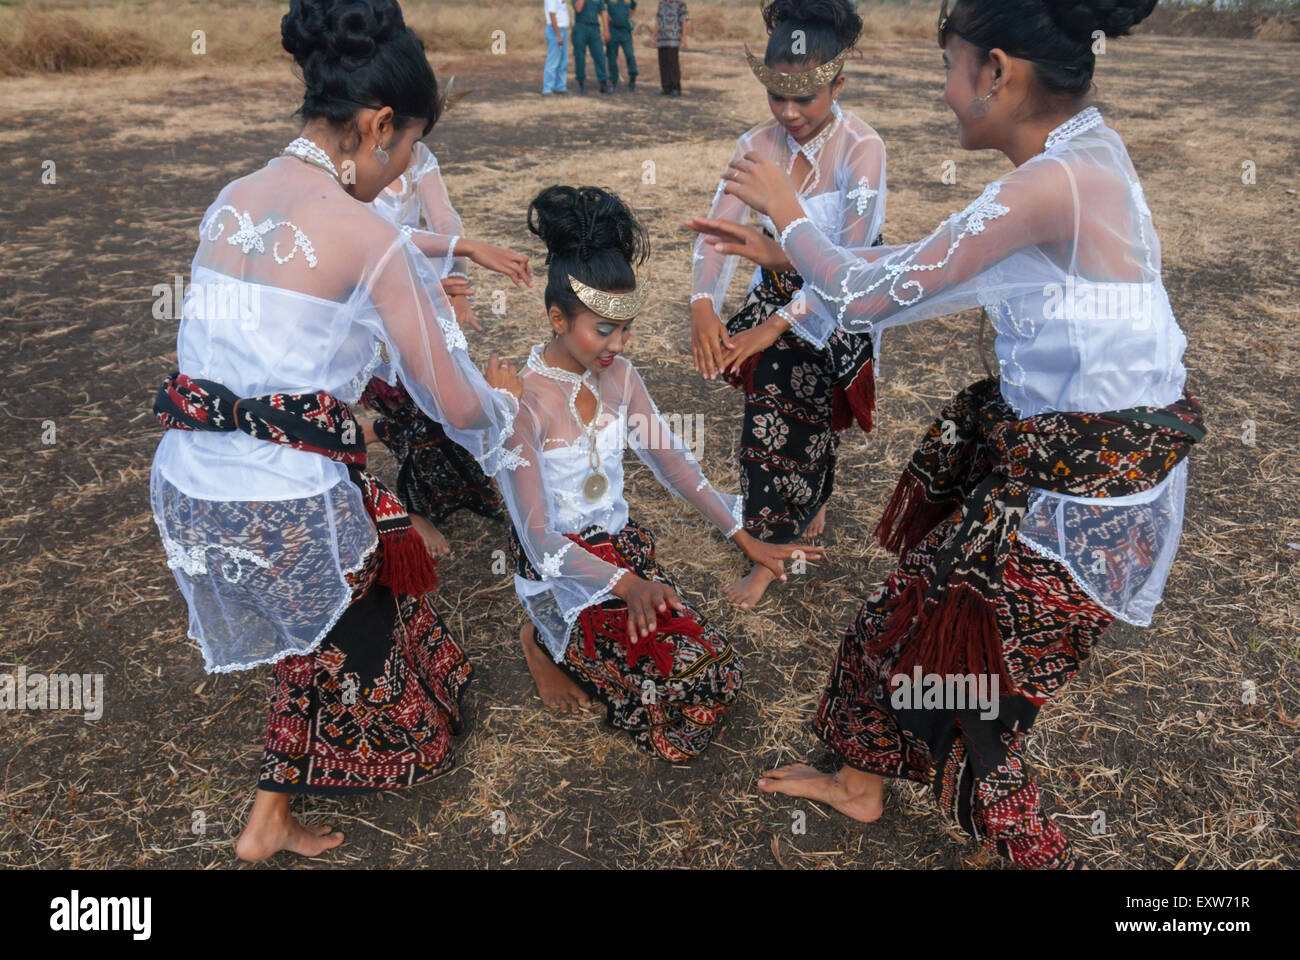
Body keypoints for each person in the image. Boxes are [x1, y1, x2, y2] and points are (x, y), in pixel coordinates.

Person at [693, 0, 1205, 868]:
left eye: (951, 69)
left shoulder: (1053, 183)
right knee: (892, 621)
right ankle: (859, 783)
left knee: (961, 708)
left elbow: (868, 295)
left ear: (997, 73)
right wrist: (788, 255)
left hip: (1082, 505)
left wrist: (789, 210)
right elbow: (924, 269)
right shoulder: (1078, 157)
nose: (942, 91)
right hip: (1049, 473)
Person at [149, 0, 529, 862]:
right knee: (323, 625)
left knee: (370, 565)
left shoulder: (230, 199)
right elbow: (455, 405)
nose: (399, 174)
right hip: (279, 494)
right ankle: (267, 817)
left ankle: (282, 795)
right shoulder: (368, 234)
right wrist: (506, 401)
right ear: (378, 125)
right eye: (403, 152)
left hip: (188, 480)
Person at [496, 185, 822, 762]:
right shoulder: (520, 401)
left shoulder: (619, 376)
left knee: (717, 670)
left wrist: (743, 536)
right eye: (603, 328)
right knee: (683, 696)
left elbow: (673, 462)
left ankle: (577, 648)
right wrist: (628, 586)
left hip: (623, 555)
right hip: (563, 573)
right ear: (556, 317)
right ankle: (540, 639)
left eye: (627, 328)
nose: (618, 345)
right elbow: (539, 539)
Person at [687, 0, 885, 611]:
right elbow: (720, 235)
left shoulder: (862, 150)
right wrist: (702, 303)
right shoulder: (756, 144)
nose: (790, 113)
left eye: (806, 98)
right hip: (776, 297)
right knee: (776, 395)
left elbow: (849, 269)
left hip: (839, 308)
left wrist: (774, 327)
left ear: (839, 83)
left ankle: (772, 546)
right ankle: (812, 492)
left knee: (778, 395)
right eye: (777, 96)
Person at [363, 136, 535, 553]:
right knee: (419, 413)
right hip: (369, 303)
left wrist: (455, 290)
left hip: (426, 292)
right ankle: (409, 503)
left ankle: (386, 442)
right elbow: (377, 238)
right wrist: (434, 278)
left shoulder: (416, 153)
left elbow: (445, 222)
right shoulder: (347, 162)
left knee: (440, 407)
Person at [572, 0, 611, 94]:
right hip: (580, 27)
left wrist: (606, 30)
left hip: (594, 29)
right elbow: (578, 8)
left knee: (600, 56)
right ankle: (581, 83)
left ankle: (603, 83)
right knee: (580, 56)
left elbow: (603, 12)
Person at [653, 0, 689, 96]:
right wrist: (654, 37)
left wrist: (684, 38)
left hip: (673, 38)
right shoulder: (661, 3)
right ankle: (666, 87)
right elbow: (658, 20)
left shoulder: (680, 3)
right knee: (663, 63)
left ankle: (676, 88)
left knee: (673, 63)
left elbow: (684, 20)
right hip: (662, 39)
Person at [605, 0, 637, 91]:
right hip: (612, 30)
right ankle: (613, 82)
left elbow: (633, 6)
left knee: (630, 55)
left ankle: (632, 79)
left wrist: (629, 18)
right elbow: (602, 7)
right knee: (611, 57)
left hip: (625, 31)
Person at [543, 0, 570, 95]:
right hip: (555, 30)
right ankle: (547, 89)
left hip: (562, 30)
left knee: (563, 61)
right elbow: (552, 14)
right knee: (553, 62)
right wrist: (558, 35)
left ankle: (560, 87)